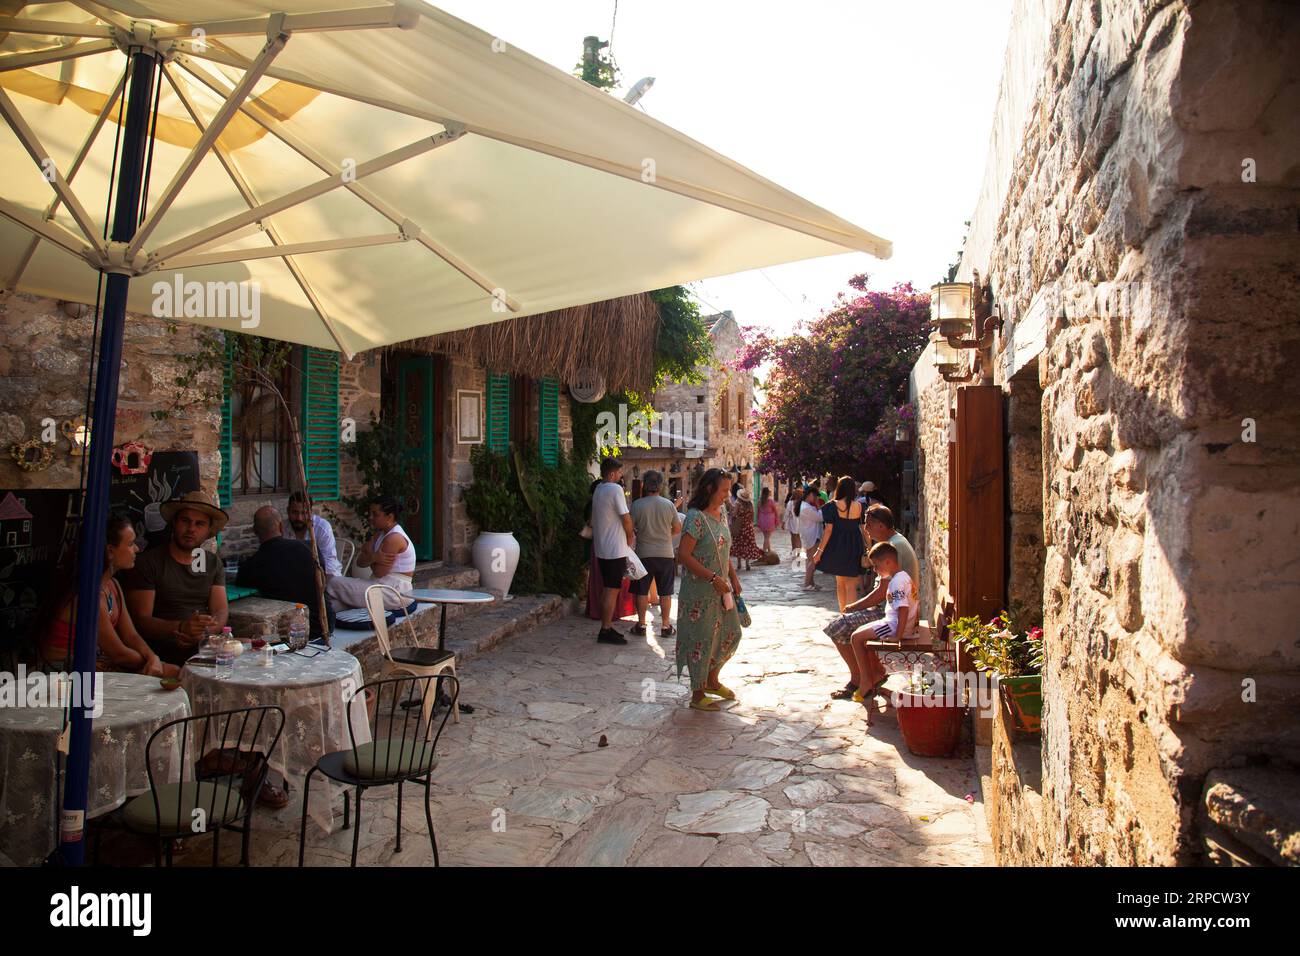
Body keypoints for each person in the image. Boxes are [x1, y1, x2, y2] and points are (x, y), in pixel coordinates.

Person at [39, 512, 180, 677]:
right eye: (130, 544)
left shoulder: (113, 585)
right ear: (110, 551)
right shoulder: (89, 598)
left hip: (95, 663)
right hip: (64, 672)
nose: (136, 549)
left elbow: (130, 635)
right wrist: (156, 665)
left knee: (173, 671)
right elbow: (118, 654)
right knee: (172, 672)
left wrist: (153, 658)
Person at [821, 504, 920, 700]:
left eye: (869, 525)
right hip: (892, 609)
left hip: (890, 612)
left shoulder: (893, 547)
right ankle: (874, 672)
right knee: (848, 626)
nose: (866, 529)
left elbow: (882, 592)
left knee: (837, 627)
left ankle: (860, 678)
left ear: (881, 525)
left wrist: (854, 607)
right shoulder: (893, 542)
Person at [121, 491, 229, 667]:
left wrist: (202, 633)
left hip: (204, 648)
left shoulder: (211, 562)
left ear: (208, 530)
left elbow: (221, 610)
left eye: (199, 524)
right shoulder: (148, 562)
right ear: (174, 523)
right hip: (162, 654)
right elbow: (141, 620)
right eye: (185, 521)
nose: (191, 529)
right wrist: (181, 628)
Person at [675, 468, 744, 711]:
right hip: (699, 592)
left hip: (721, 589)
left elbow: (722, 549)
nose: (727, 495)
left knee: (731, 633)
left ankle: (712, 680)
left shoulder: (721, 513)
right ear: (709, 488)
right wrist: (712, 578)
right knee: (701, 640)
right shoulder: (695, 518)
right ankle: (698, 693)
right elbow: (683, 555)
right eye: (724, 490)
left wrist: (733, 576)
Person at [239, 506, 332, 638]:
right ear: (281, 526)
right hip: (323, 626)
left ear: (255, 531)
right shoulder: (309, 549)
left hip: (286, 636)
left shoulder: (250, 566)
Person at [847, 541, 918, 704]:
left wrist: (898, 635)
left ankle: (866, 681)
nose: (875, 570)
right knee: (860, 633)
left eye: (876, 565)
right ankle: (876, 673)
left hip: (894, 626)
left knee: (856, 638)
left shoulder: (896, 582)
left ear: (887, 562)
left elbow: (903, 609)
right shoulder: (903, 576)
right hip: (894, 623)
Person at [325, 495, 414, 610]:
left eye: (375, 514)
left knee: (333, 582)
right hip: (379, 587)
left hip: (394, 594)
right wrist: (374, 558)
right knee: (334, 605)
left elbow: (378, 572)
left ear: (389, 517)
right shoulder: (380, 534)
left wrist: (370, 556)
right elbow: (360, 562)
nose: (370, 517)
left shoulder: (394, 538)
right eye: (370, 513)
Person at [629, 470, 681, 638]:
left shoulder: (637, 505)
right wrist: (666, 536)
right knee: (665, 592)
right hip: (665, 553)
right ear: (660, 485)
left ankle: (641, 624)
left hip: (644, 553)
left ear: (644, 485)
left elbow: (630, 528)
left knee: (641, 591)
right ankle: (665, 626)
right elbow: (677, 528)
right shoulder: (668, 505)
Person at [591, 456, 635, 645]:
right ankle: (605, 629)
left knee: (608, 587)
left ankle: (606, 626)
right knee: (612, 589)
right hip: (614, 548)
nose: (620, 475)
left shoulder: (598, 489)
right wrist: (630, 536)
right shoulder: (615, 489)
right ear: (611, 474)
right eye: (618, 472)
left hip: (602, 547)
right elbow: (626, 517)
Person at [811, 476, 865, 612]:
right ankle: (851, 615)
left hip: (838, 546)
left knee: (840, 583)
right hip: (855, 545)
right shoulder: (859, 506)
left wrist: (819, 551)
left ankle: (843, 614)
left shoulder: (831, 506)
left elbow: (828, 530)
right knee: (851, 585)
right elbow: (864, 530)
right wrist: (870, 548)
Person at [284, 491, 341, 577]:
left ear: (310, 512)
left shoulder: (322, 528)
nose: (299, 518)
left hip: (325, 576)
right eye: (295, 512)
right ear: (288, 511)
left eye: (304, 513)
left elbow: (329, 563)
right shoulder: (282, 528)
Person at [729, 483, 764, 571]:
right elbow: (752, 516)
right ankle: (747, 564)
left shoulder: (738, 503)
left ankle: (739, 564)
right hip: (748, 527)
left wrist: (731, 512)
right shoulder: (750, 504)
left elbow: (734, 515)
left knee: (739, 544)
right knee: (748, 544)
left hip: (740, 526)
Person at [798, 487, 825, 591]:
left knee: (811, 560)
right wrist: (819, 506)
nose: (816, 498)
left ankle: (811, 583)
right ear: (810, 495)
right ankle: (807, 584)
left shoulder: (806, 506)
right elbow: (820, 517)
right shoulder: (806, 508)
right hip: (812, 536)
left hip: (811, 535)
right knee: (812, 561)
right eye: (815, 496)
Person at [756, 487, 780, 552]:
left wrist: (758, 520)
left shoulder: (759, 501)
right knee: (767, 537)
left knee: (766, 536)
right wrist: (777, 520)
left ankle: (769, 550)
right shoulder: (770, 501)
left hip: (762, 519)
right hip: (769, 519)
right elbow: (775, 511)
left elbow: (758, 512)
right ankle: (764, 551)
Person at [783, 487, 803, 557]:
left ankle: (793, 550)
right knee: (798, 537)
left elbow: (787, 513)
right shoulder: (803, 503)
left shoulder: (790, 502)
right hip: (800, 522)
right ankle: (798, 553)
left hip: (793, 521)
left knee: (793, 537)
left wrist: (783, 522)